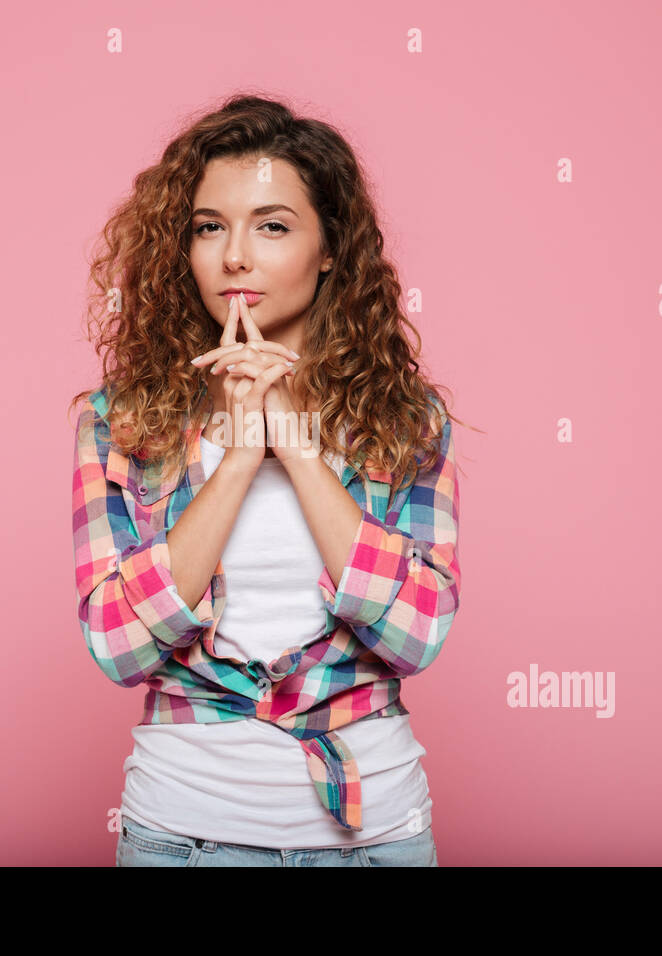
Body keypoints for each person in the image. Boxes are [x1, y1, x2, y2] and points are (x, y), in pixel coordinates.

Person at [69, 94, 466, 866]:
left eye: (272, 225)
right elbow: (117, 647)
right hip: (182, 837)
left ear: (330, 249)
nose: (234, 257)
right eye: (209, 226)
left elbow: (417, 634)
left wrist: (293, 437)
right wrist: (241, 456)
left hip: (374, 837)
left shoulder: (404, 420)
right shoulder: (119, 422)